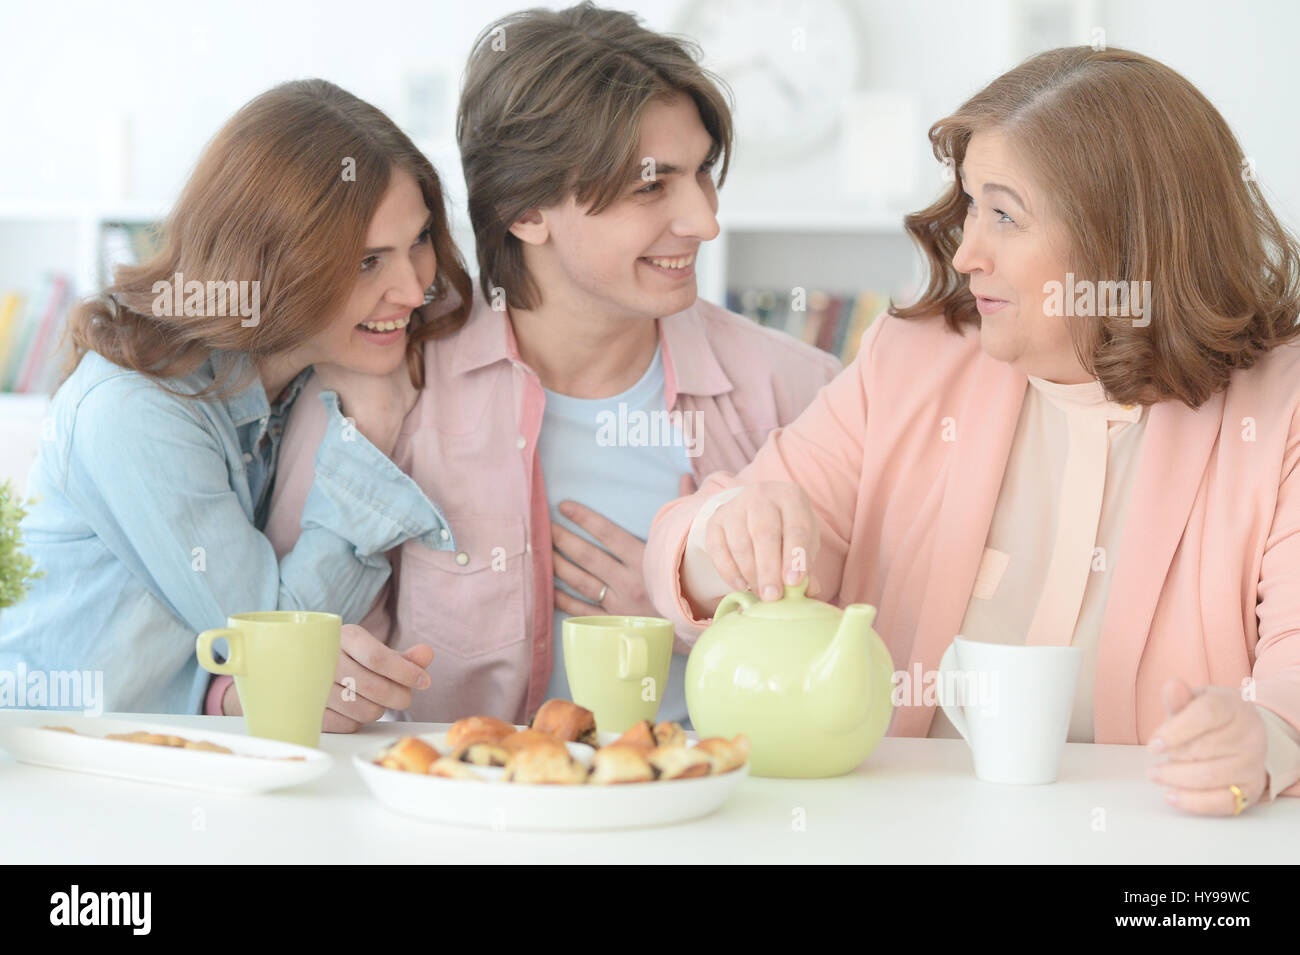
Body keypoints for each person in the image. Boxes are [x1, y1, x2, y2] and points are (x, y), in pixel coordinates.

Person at [645, 46, 1300, 815]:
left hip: (1149, 847)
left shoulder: (1278, 406)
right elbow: (681, 550)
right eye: (969, 208)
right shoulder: (916, 361)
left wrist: (1266, 735)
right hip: (906, 837)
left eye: (1004, 214)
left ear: (1126, 238)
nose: (967, 252)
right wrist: (725, 532)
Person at [222, 2, 840, 727]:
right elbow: (246, 668)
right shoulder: (381, 389)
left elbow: (855, 667)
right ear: (526, 210)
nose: (704, 219)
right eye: (652, 186)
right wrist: (295, 686)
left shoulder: (798, 391)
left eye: (702, 173)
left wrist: (689, 617)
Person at [0, 80, 471, 721]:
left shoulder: (299, 376)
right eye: (367, 262)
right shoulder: (136, 409)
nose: (414, 290)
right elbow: (276, 642)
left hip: (175, 750)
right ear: (268, 267)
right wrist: (372, 437)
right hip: (54, 764)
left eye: (417, 241)